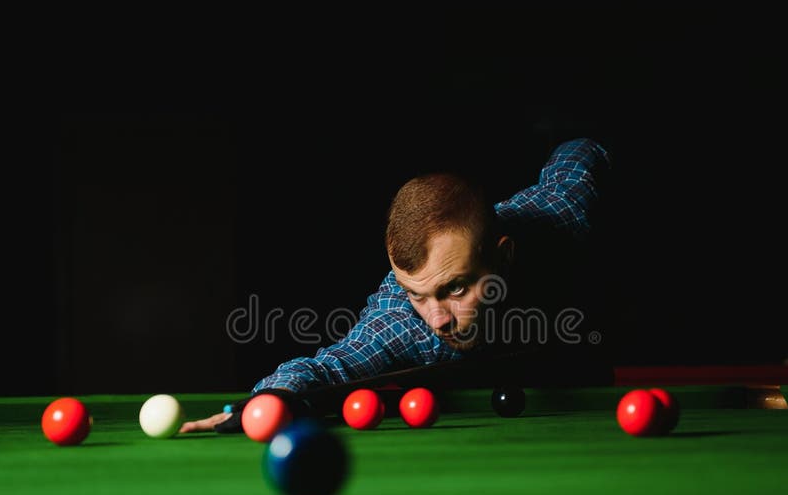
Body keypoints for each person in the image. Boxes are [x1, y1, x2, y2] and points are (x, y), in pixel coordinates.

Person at [180, 137, 612, 433]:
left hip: (586, 379)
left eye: (456, 288)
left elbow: (582, 153)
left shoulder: (557, 220)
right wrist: (268, 403)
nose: (437, 318)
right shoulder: (403, 320)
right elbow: (329, 368)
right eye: (417, 294)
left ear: (504, 257)